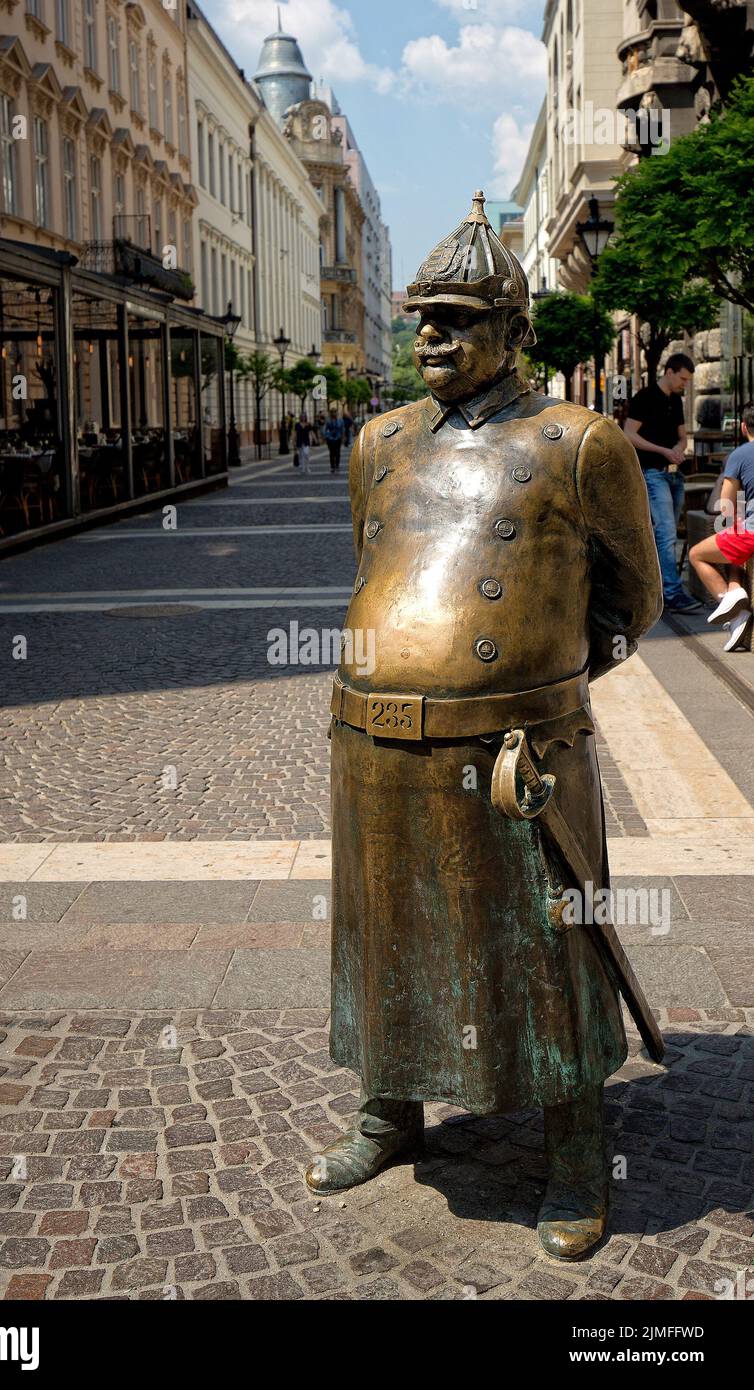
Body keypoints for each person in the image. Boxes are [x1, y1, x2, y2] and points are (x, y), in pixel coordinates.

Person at [307, 192, 663, 1263]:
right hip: (373, 740)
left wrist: (538, 682)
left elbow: (631, 599)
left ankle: (574, 1147)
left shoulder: (575, 441)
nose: (430, 336)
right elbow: (374, 568)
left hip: (515, 751)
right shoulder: (377, 441)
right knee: (385, 936)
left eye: (456, 318)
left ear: (511, 332)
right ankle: (388, 1111)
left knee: (548, 953)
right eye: (422, 317)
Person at [624, 354, 701, 613]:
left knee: (665, 534)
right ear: (669, 372)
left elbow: (681, 437)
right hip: (653, 473)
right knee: (666, 532)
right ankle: (672, 593)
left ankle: (659, 589)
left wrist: (679, 449)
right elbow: (629, 435)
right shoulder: (644, 398)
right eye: (682, 378)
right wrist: (663, 451)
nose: (685, 384)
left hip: (673, 474)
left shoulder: (677, 400)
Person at [689, 402, 754, 651]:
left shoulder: (739, 454)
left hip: (751, 533)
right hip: (746, 534)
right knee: (733, 548)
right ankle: (736, 594)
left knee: (697, 554)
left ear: (743, 426)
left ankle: (729, 603)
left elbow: (724, 504)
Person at [324, 407, 345, 472]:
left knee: (338, 452)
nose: (334, 413)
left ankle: (337, 465)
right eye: (332, 412)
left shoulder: (340, 420)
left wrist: (343, 437)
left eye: (335, 412)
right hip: (330, 438)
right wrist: (326, 437)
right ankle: (332, 466)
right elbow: (325, 429)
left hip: (338, 438)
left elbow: (342, 429)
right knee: (332, 453)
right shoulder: (328, 420)